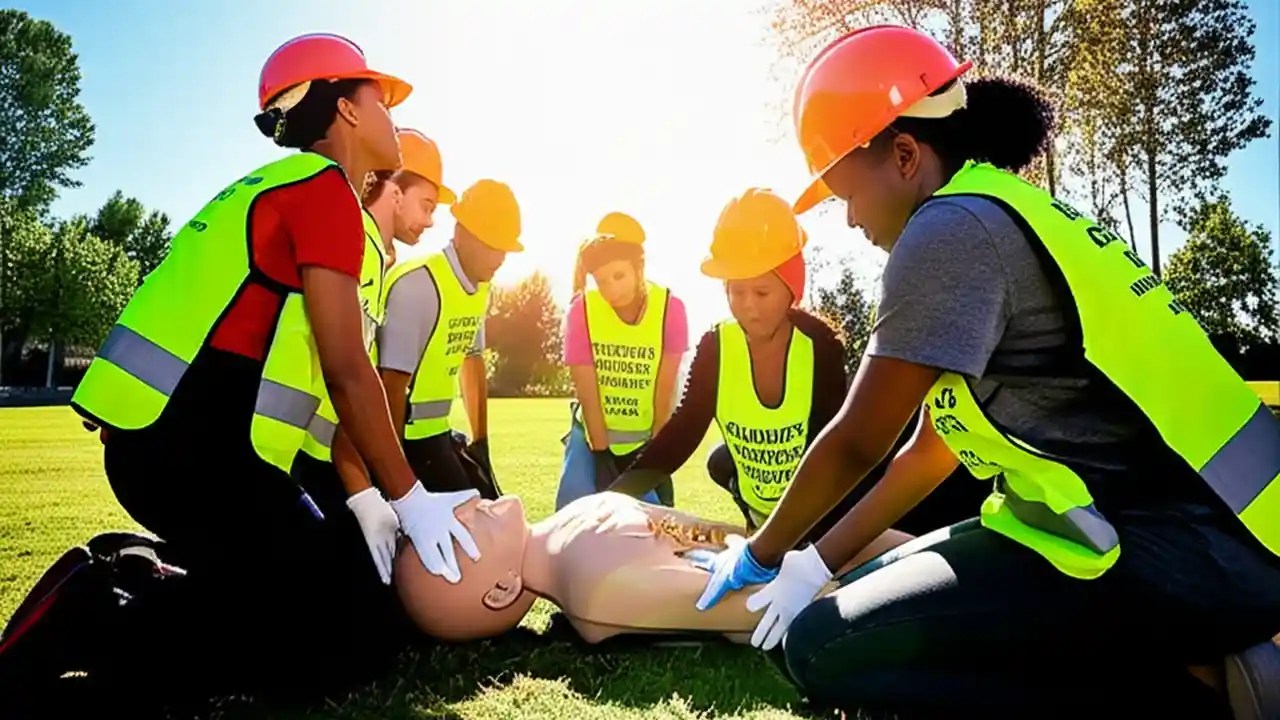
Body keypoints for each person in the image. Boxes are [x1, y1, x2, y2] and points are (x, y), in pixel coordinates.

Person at [693, 26, 1280, 719]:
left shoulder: (948, 233)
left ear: (906, 155)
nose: (848, 220)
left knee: (823, 648)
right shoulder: (997, 206)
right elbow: (927, 454)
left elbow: (860, 439)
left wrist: (763, 552)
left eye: (847, 192)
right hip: (1197, 535)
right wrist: (814, 564)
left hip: (1197, 551)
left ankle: (1205, 683)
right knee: (846, 607)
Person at [60, 33, 482, 707]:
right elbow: (346, 367)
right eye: (382, 103)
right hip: (189, 453)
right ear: (345, 110)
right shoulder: (323, 193)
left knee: (332, 616)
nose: (391, 121)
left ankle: (133, 583)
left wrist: (368, 496)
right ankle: (97, 616)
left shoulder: (274, 185)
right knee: (331, 647)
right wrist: (408, 498)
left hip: (180, 445)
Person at [607, 189, 855, 543]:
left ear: (791, 288)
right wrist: (614, 497)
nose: (748, 307)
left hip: (816, 515)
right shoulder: (715, 347)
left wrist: (797, 540)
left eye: (762, 292)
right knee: (718, 461)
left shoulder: (821, 348)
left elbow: (830, 450)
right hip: (762, 513)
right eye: (736, 292)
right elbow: (684, 430)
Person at [392, 490, 913, 645]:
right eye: (452, 540)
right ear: (503, 590)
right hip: (847, 584)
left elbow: (740, 541)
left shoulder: (577, 522)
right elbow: (757, 608)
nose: (460, 509)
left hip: (816, 545)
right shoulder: (597, 590)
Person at [291, 127, 457, 584]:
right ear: (395, 190)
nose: (429, 222)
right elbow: (345, 375)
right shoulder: (356, 243)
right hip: (292, 458)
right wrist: (367, 493)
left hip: (316, 456)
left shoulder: (376, 258)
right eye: (426, 205)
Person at [377, 178, 522, 499]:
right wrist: (396, 480)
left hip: (437, 435)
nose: (500, 258)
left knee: (495, 512)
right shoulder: (418, 284)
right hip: (403, 442)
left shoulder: (480, 285)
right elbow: (392, 384)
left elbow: (472, 359)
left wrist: (481, 444)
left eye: (505, 248)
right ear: (461, 233)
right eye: (492, 244)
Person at [554, 212, 689, 510]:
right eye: (601, 281)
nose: (611, 290)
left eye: (619, 276)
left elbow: (664, 387)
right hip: (591, 436)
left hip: (645, 441)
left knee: (651, 524)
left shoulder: (670, 308)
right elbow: (586, 390)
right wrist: (602, 456)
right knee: (572, 511)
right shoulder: (582, 310)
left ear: (638, 267)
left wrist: (657, 449)